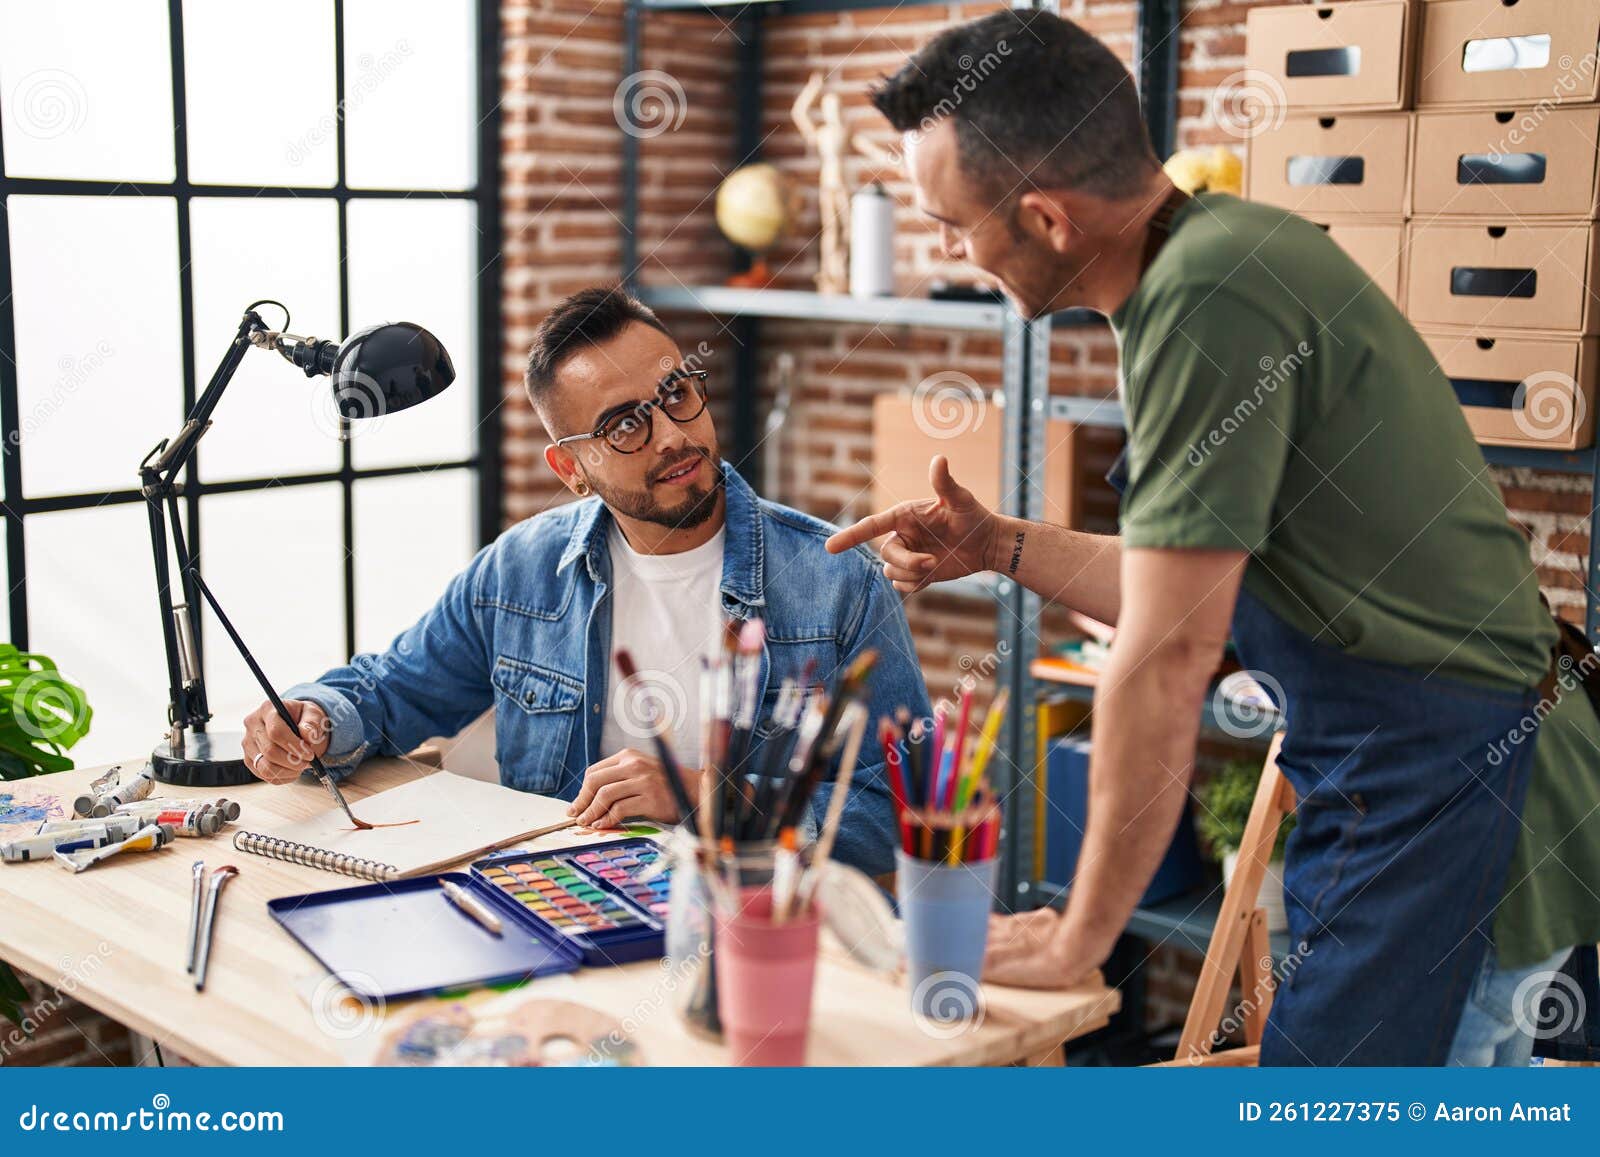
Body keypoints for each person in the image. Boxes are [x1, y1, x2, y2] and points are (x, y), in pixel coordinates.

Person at [828, 8, 1600, 1064]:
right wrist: (998, 543)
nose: (952, 251)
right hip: (1415, 779)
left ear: (1047, 219)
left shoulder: (1205, 296)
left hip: (1459, 794)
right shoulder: (1206, 262)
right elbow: (1183, 595)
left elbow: (1165, 658)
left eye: (954, 225)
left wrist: (1075, 937)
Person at [242, 285, 930, 878]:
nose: (670, 437)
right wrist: (312, 717)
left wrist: (700, 796)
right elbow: (391, 691)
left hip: (752, 932)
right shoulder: (520, 572)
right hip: (562, 911)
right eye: (624, 425)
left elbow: (908, 813)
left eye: (677, 395)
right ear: (570, 469)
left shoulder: (836, 579)